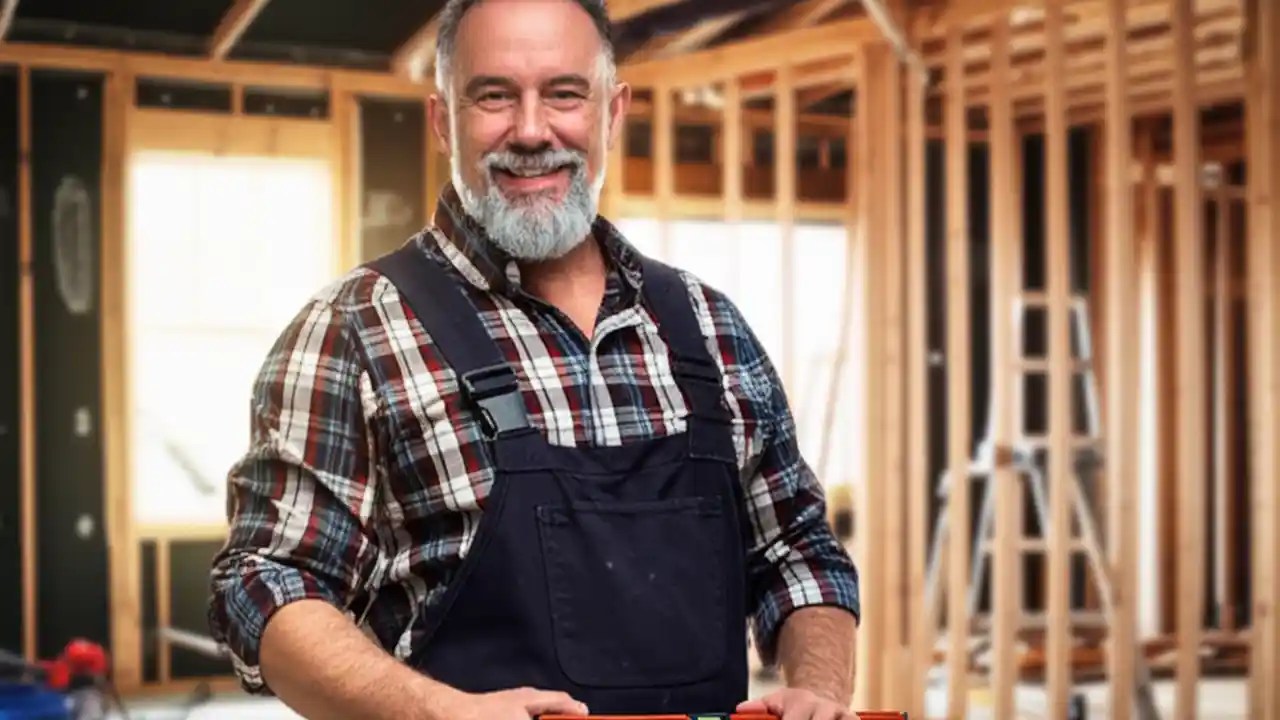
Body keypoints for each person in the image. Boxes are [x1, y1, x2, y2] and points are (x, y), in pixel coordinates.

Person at [207, 0, 861, 718]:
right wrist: (435, 712)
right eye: (493, 96)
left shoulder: (710, 327)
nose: (529, 131)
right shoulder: (353, 332)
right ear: (442, 121)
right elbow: (268, 582)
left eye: (564, 94)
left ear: (613, 113)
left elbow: (799, 550)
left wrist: (819, 690)